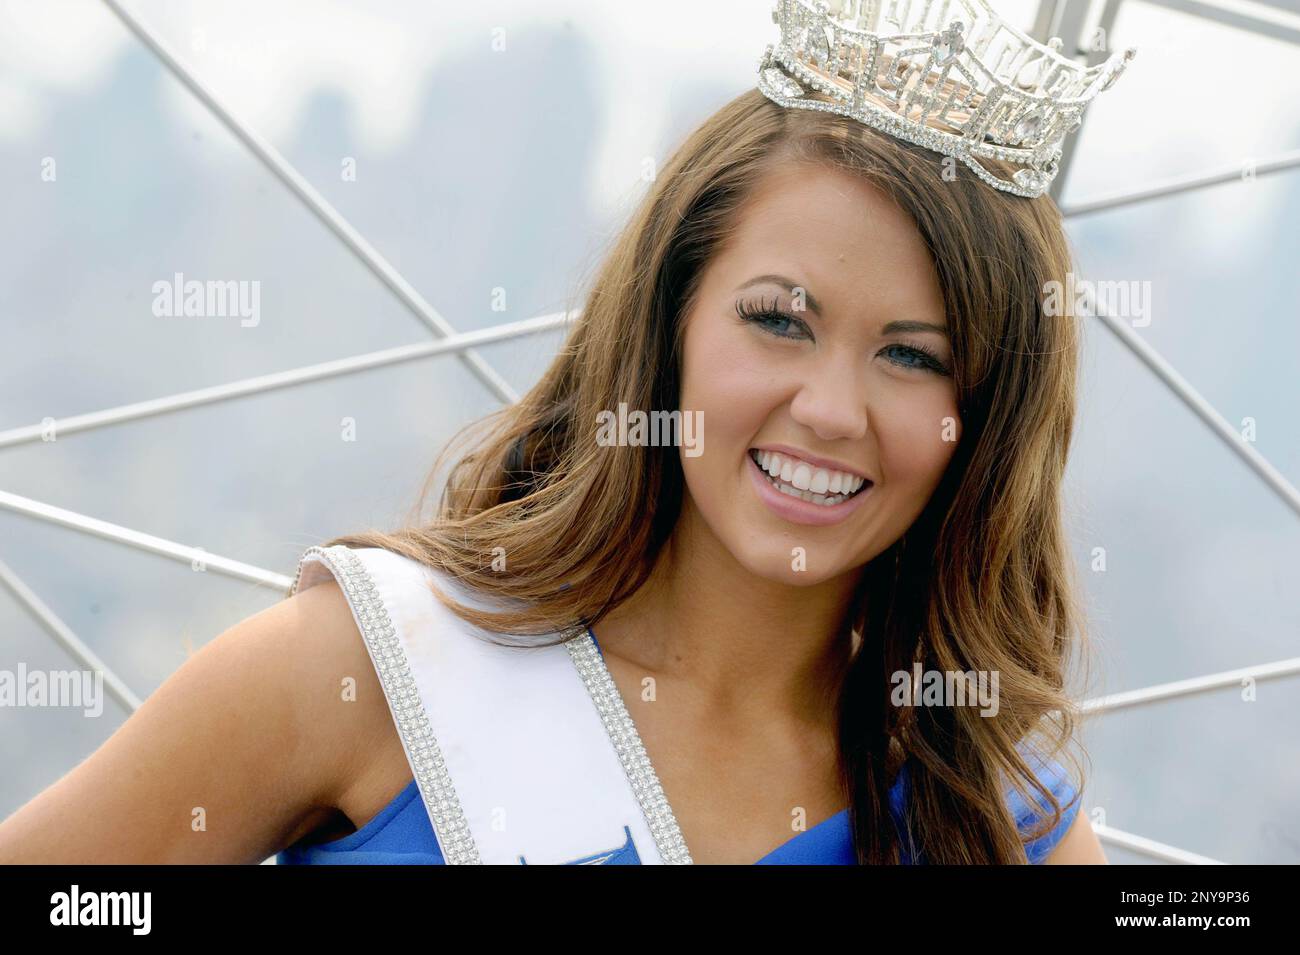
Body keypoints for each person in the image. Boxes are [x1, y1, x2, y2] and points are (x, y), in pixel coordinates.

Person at [0, 2, 1130, 865]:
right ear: (668, 324)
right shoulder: (363, 666)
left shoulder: (994, 810)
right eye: (778, 320)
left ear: (977, 418)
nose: (831, 409)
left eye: (910, 354)